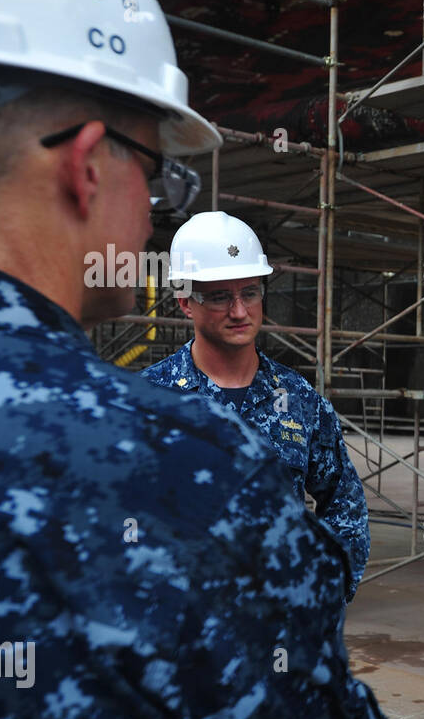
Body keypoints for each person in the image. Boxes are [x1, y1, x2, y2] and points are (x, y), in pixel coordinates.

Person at [0, 0, 399, 719]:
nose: (152, 214)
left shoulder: (276, 417)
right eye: (161, 173)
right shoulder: (183, 469)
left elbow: (340, 506)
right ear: (89, 165)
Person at [142, 211, 370, 601]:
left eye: (249, 292)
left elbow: (344, 502)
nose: (239, 311)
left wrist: (324, 591)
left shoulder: (297, 398)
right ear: (185, 301)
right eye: (219, 296)